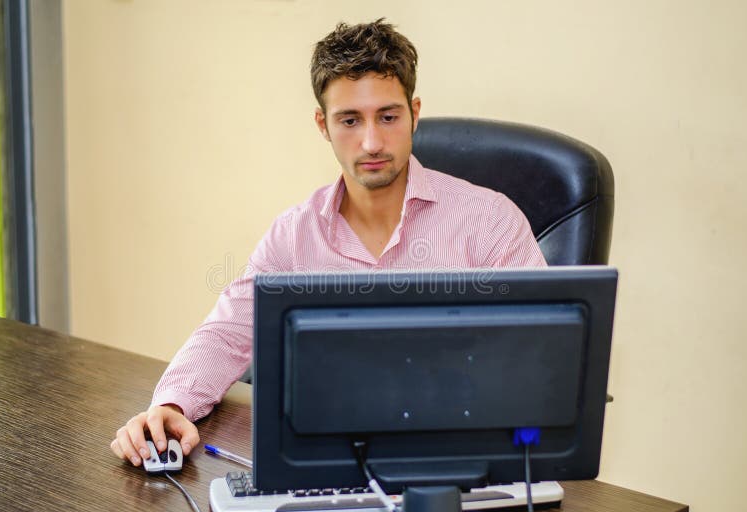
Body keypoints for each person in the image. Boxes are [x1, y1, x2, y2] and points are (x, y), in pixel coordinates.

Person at [111, 19, 546, 467]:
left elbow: (541, 353)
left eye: (389, 116)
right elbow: (228, 332)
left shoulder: (490, 221)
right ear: (323, 124)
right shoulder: (295, 235)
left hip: (462, 467)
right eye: (350, 120)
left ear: (415, 113)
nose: (372, 142)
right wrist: (171, 406)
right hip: (334, 464)